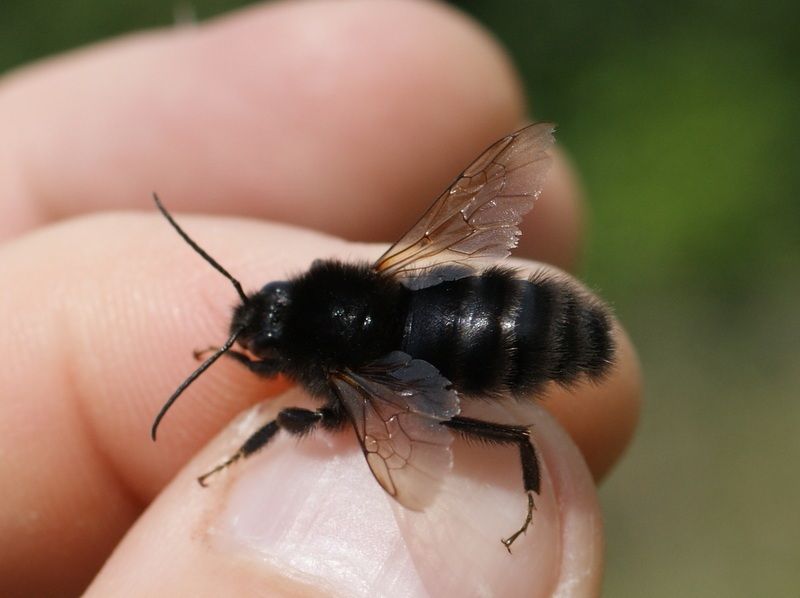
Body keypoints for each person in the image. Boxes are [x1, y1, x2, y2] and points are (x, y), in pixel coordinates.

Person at [0, 1, 641, 596]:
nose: (260, 333)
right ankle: (525, 455)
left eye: (262, 339)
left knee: (294, 421)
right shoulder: (385, 271)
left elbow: (381, 450)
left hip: (487, 332)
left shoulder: (357, 386)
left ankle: (521, 451)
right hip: (504, 307)